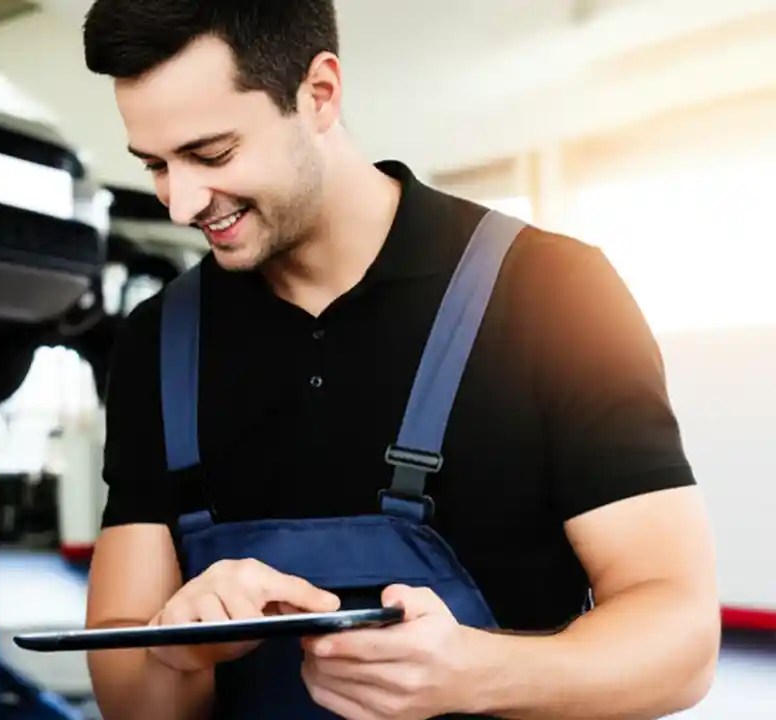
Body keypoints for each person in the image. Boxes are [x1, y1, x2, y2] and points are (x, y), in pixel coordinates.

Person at [79, 2, 719, 719]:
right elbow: (130, 699)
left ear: (319, 93)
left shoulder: (554, 292)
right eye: (156, 165)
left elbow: (682, 639)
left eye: (212, 154)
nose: (181, 203)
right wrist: (177, 649)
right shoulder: (156, 341)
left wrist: (480, 673)